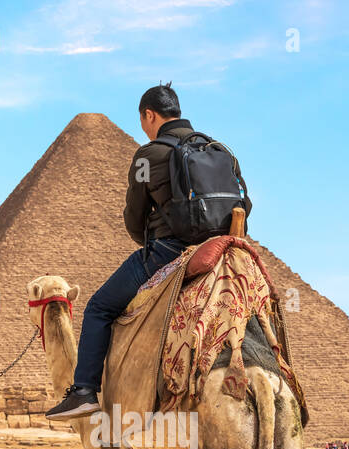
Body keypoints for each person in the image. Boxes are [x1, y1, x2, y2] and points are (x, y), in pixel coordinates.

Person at [46, 83, 251, 421]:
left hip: (171, 252)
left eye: (142, 120)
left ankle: (83, 390)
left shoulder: (148, 155)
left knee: (98, 307)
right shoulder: (221, 152)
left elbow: (134, 217)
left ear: (149, 115)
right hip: (231, 250)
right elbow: (245, 203)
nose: (142, 127)